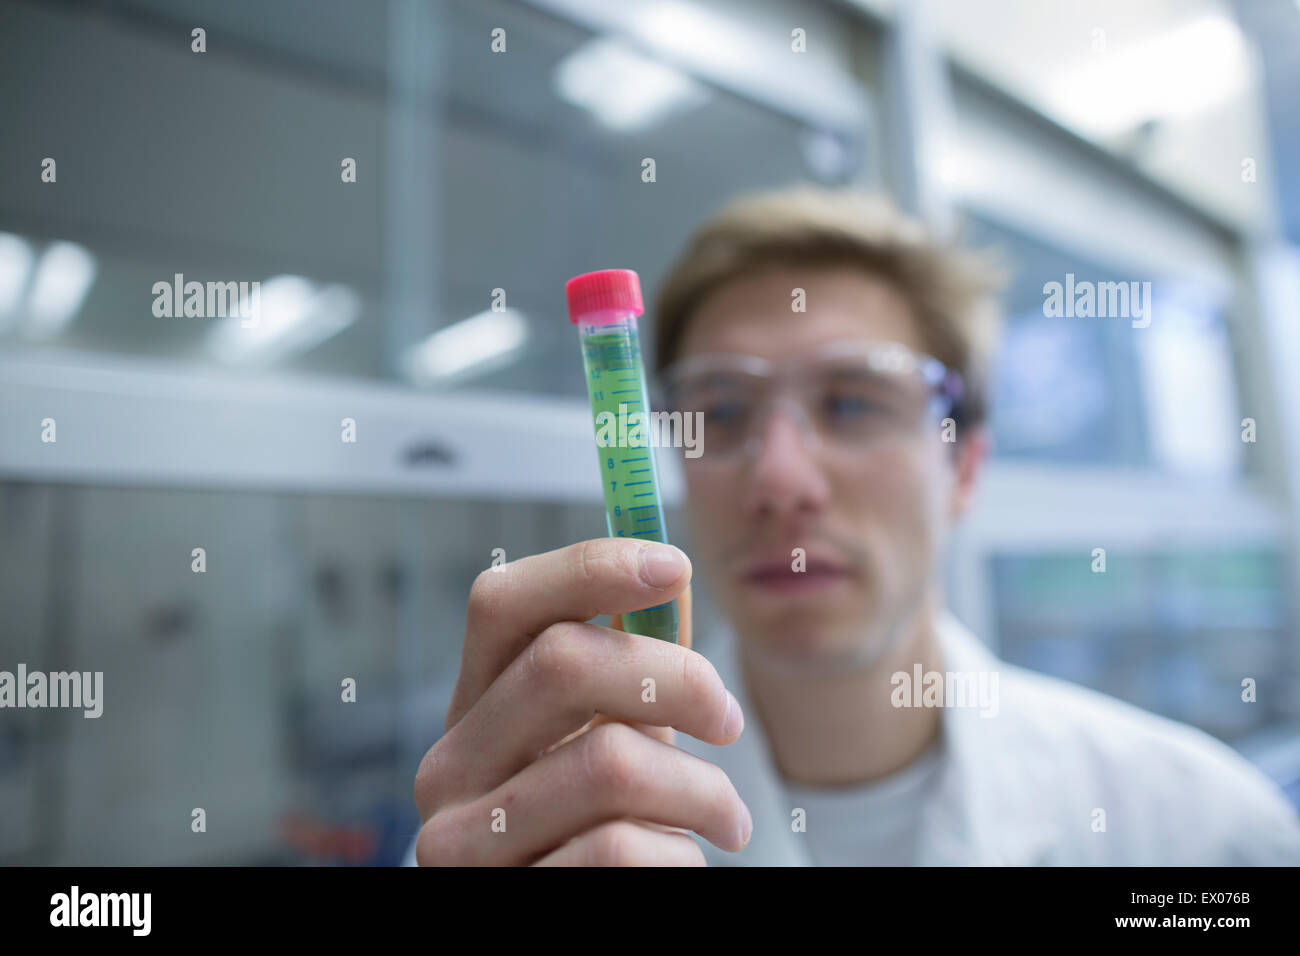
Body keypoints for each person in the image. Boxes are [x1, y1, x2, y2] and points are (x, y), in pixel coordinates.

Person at [406, 185, 1300, 866]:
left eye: (853, 402)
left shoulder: (1199, 833)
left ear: (964, 466)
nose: (780, 480)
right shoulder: (543, 831)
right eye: (721, 411)